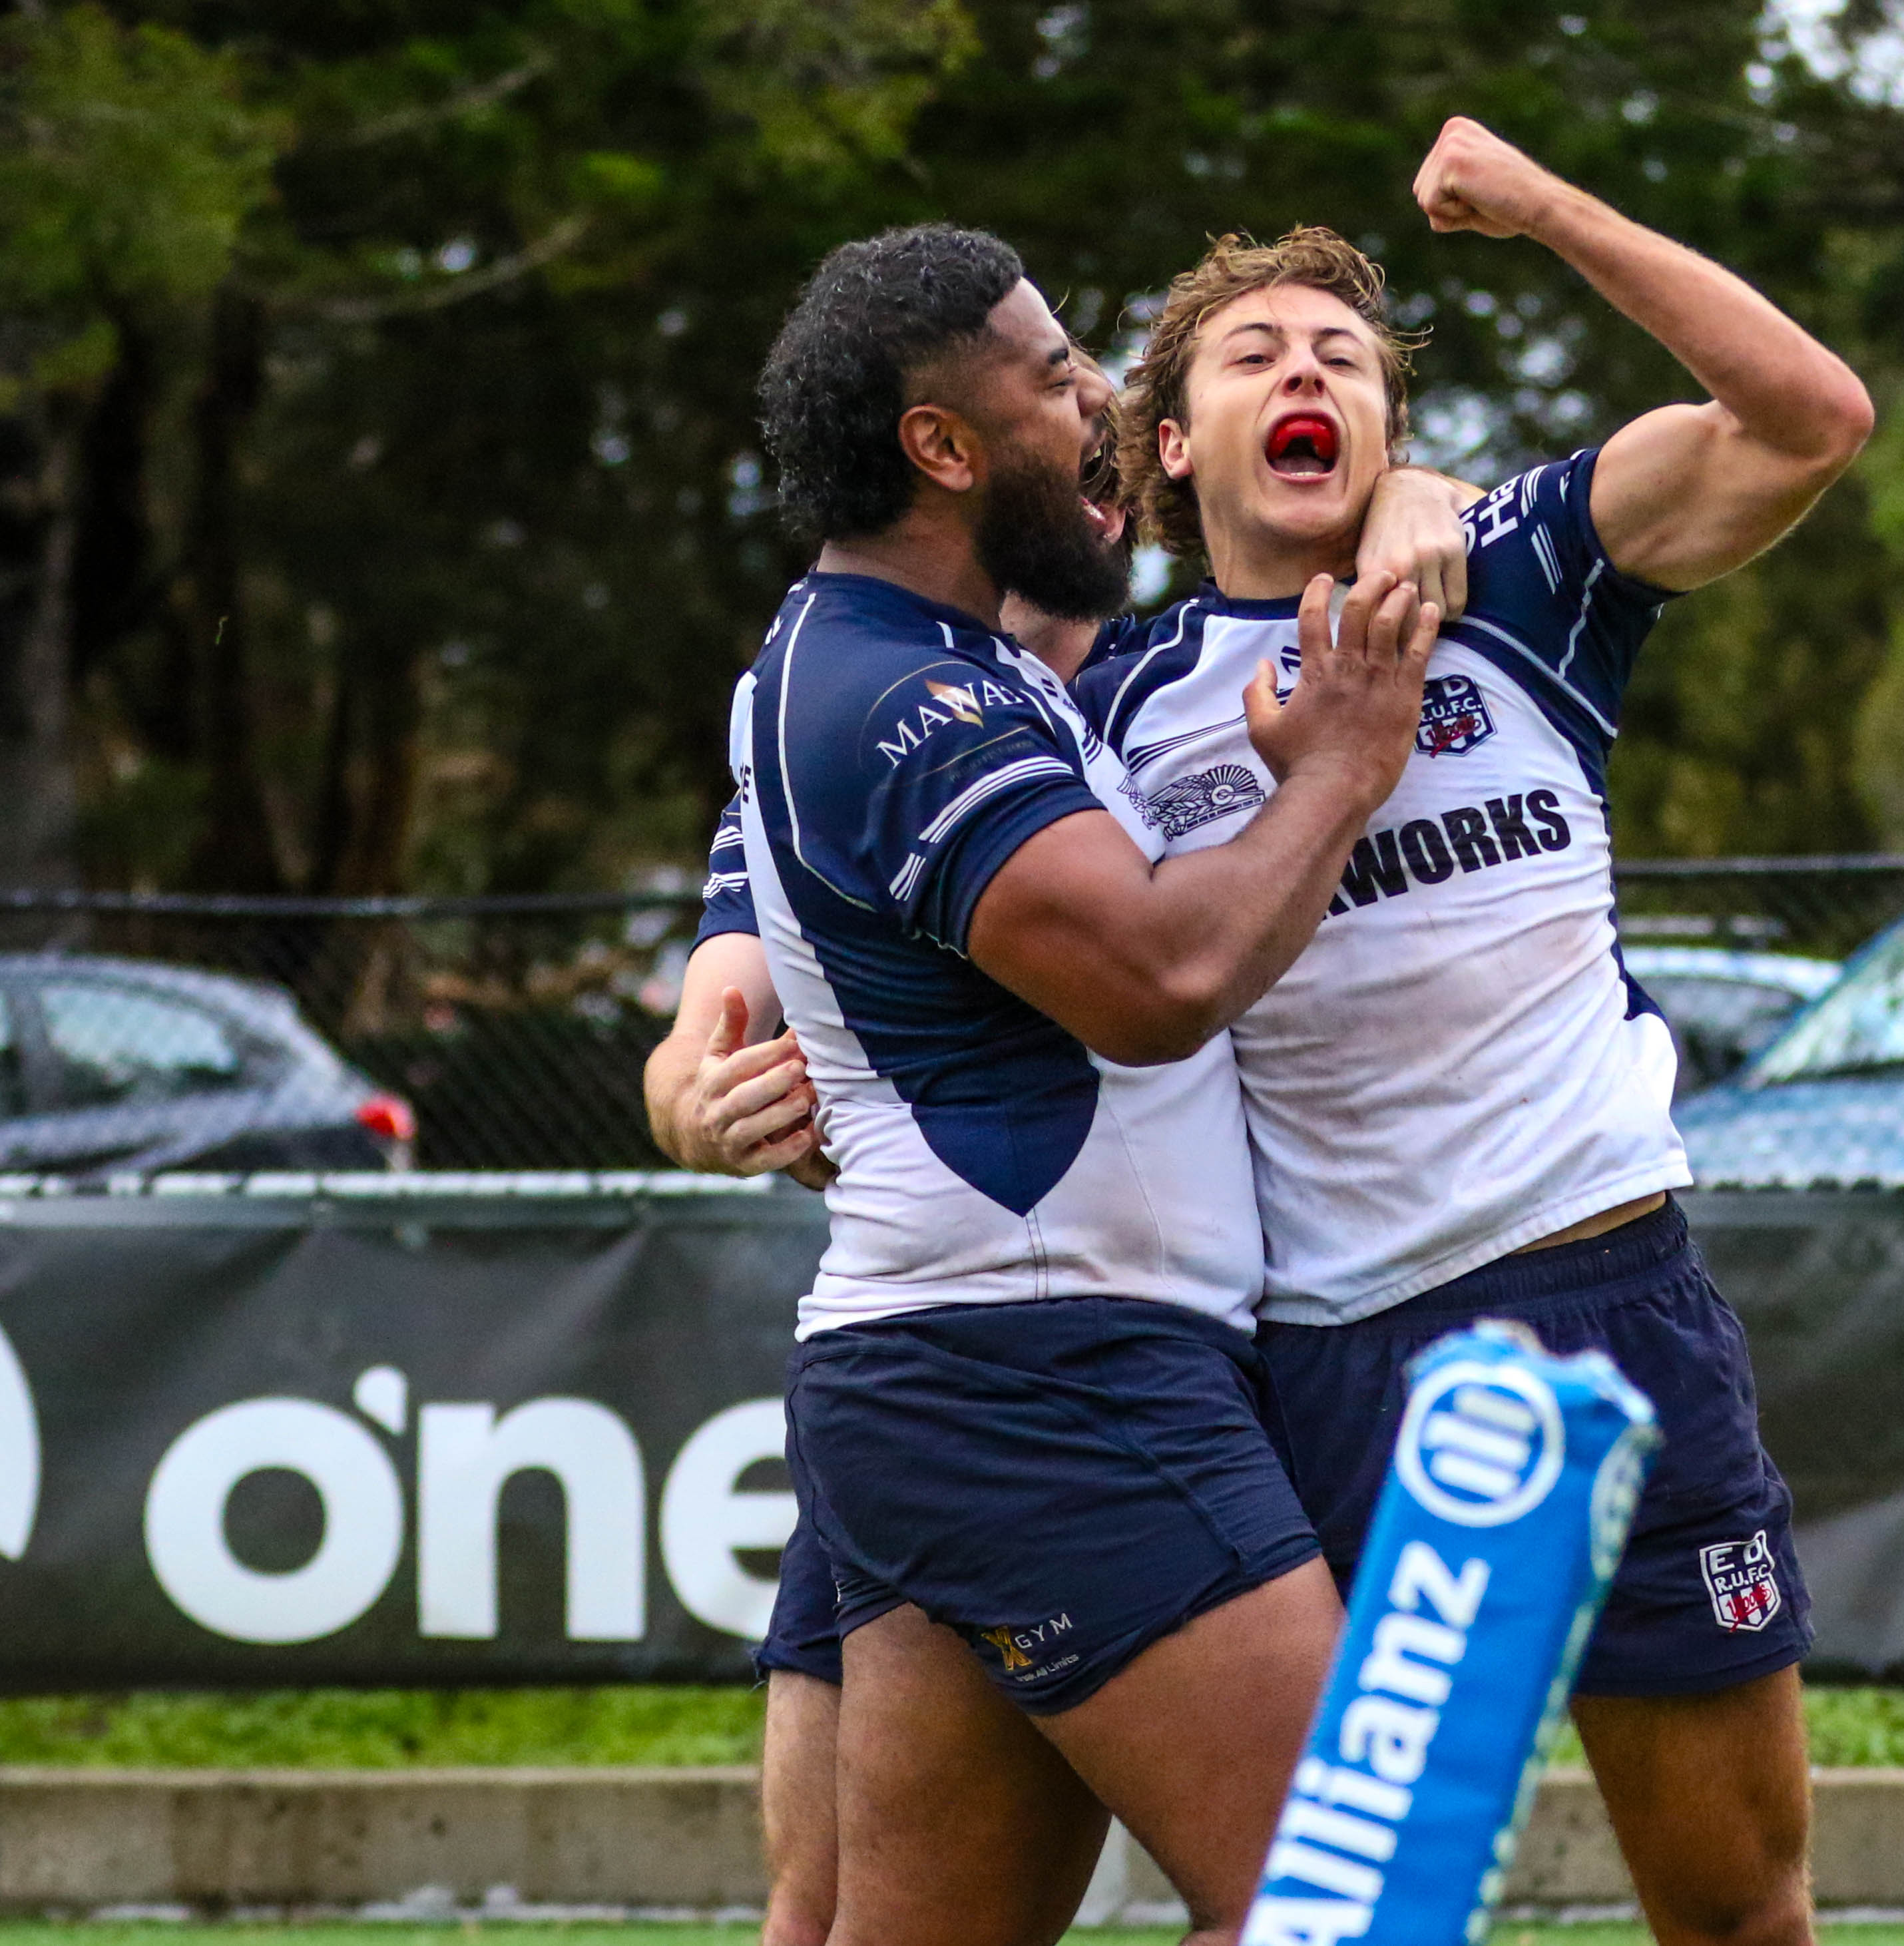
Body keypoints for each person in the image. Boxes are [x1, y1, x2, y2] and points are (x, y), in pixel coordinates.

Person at [1078, 119, 1873, 1946]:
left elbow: (1809, 418)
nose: (1306, 372)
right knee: (1331, 1913)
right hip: (1335, 1356)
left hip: (1610, 1295)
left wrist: (1537, 208)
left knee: (1737, 1910)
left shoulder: (1514, 573)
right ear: (1169, 443)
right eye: (1254, 354)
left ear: (1385, 430)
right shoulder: (1109, 705)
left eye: (1343, 358)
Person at [645, 350, 1473, 1945]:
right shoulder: (888, 699)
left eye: (1109, 466)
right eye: (1057, 416)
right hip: (1028, 1365)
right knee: (1340, 1902)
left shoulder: (1095, 695)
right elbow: (731, 1003)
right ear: (958, 468)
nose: (1092, 467)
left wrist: (1417, 500)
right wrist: (695, 1088)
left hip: (958, 1367)